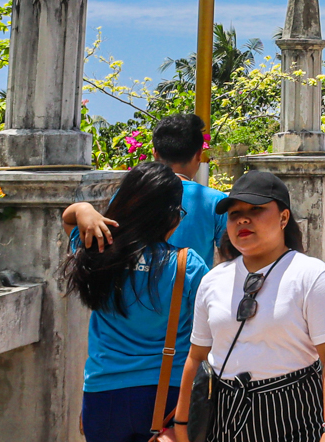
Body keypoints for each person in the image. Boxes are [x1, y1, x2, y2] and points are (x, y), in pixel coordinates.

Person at [173, 169, 325, 442]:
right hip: (224, 415)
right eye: (234, 214)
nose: (243, 219)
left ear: (283, 217)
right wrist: (182, 425)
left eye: (256, 210)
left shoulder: (312, 276)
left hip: (294, 415)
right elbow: (197, 357)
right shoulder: (212, 281)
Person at [63, 162, 209, 442]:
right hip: (167, 395)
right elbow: (208, 335)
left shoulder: (98, 248)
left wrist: (85, 210)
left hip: (103, 394)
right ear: (171, 217)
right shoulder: (187, 265)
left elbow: (69, 219)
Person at [66, 113, 227, 262]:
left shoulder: (130, 193)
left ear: (155, 153)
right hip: (192, 291)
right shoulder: (216, 201)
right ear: (199, 154)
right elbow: (230, 257)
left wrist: (82, 209)